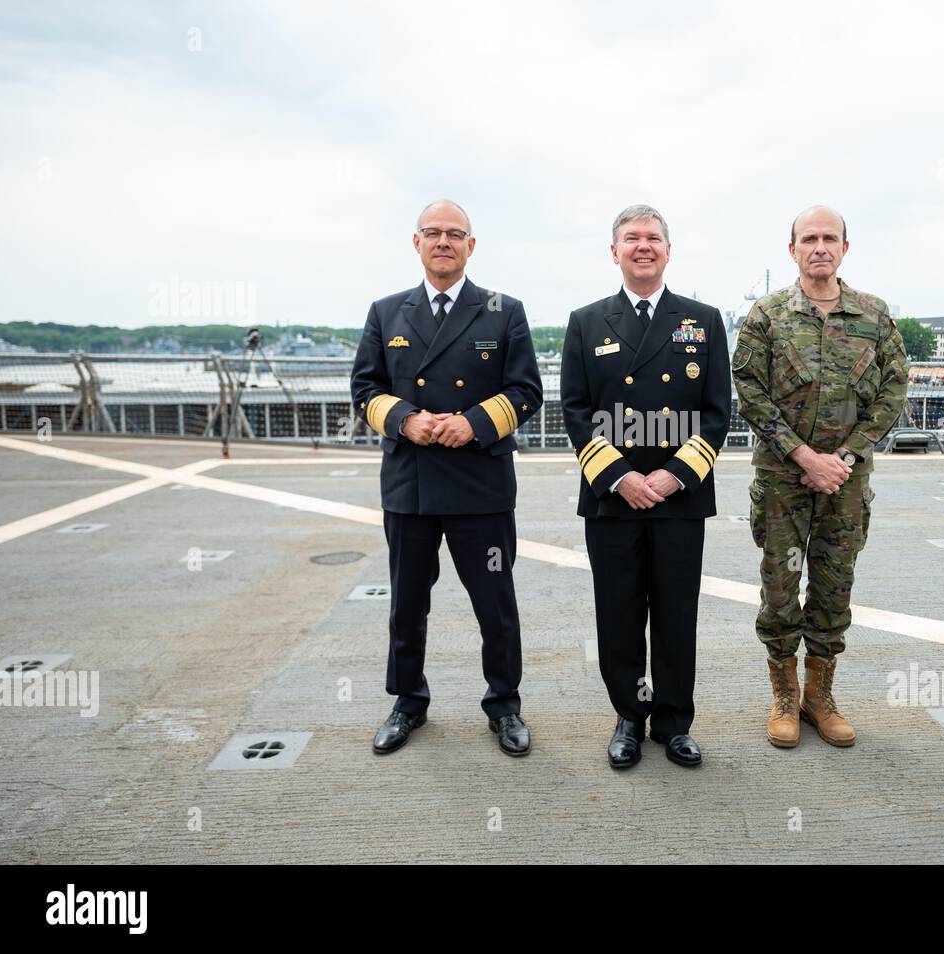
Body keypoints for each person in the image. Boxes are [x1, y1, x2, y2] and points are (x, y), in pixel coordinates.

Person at [350, 199, 542, 757]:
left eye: (454, 234)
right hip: (410, 485)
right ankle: (408, 700)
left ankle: (505, 705)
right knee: (407, 604)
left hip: (479, 485)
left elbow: (527, 390)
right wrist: (407, 419)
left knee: (495, 604)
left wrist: (473, 422)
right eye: (432, 233)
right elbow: (364, 389)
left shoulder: (504, 310)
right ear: (416, 243)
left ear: (471, 246)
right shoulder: (386, 311)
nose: (443, 242)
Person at [732, 205, 909, 749]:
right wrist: (804, 456)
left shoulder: (875, 317)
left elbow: (892, 392)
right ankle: (784, 696)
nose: (819, 247)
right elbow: (750, 392)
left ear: (845, 248)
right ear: (792, 251)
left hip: (846, 485)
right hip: (784, 481)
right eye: (809, 238)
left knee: (834, 588)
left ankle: (819, 697)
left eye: (829, 238)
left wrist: (845, 458)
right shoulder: (767, 316)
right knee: (780, 590)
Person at [561, 204, 730, 769]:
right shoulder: (587, 321)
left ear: (667, 250)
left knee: (677, 613)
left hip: (679, 497)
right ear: (615, 252)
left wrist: (672, 474)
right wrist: (620, 477)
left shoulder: (703, 320)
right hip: (613, 498)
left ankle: (675, 723)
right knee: (619, 612)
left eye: (653, 238)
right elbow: (576, 411)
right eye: (631, 238)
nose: (643, 246)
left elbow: (716, 414)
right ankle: (630, 718)